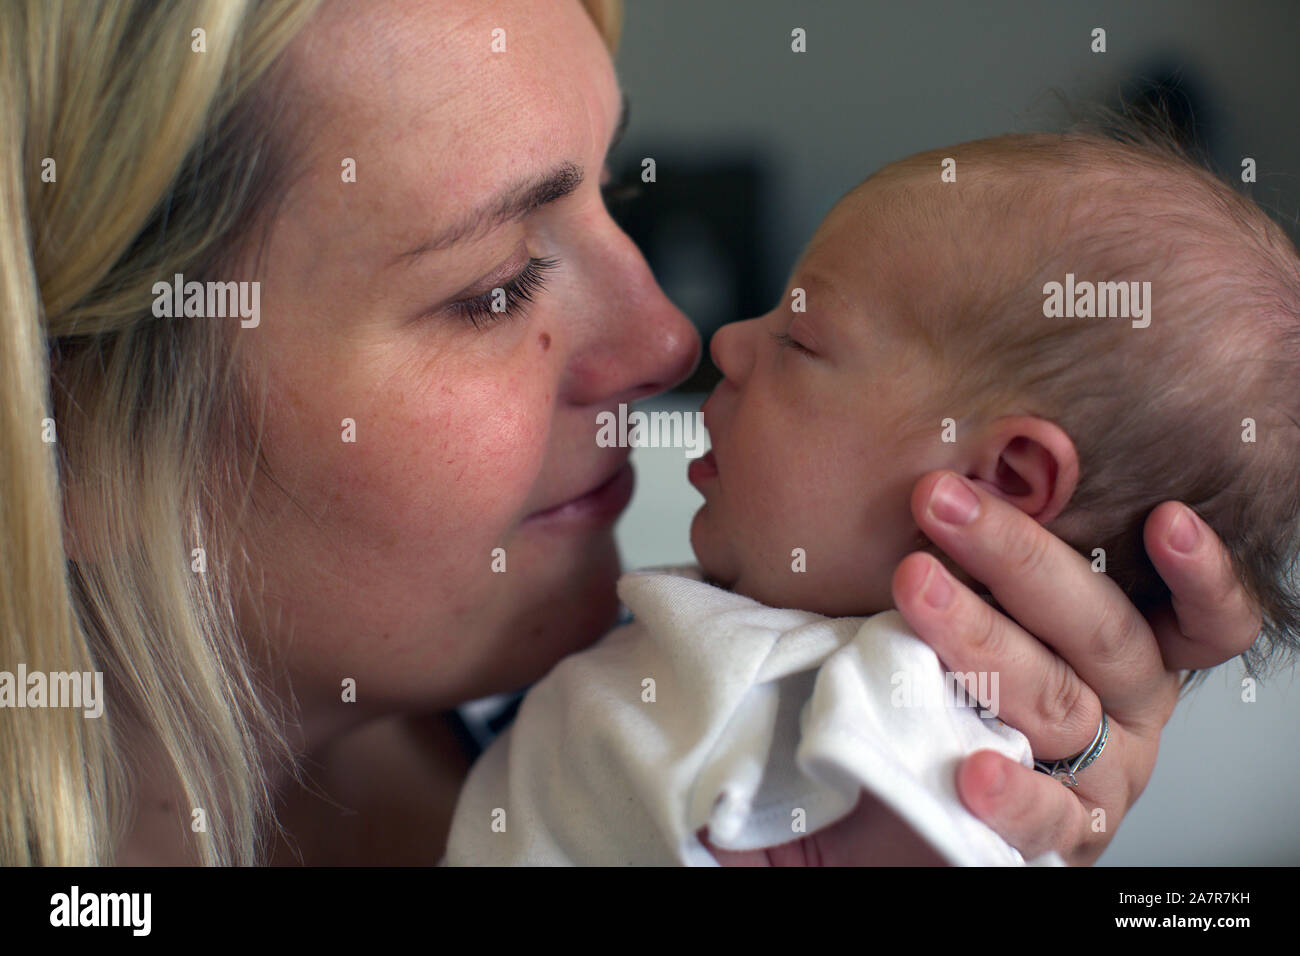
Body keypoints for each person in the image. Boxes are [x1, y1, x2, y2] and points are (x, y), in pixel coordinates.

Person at [0, 0, 1262, 867]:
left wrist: (1019, 793)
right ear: (68, 431)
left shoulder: (689, 701)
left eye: (610, 184)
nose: (671, 339)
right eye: (495, 285)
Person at [442, 126, 1299, 866]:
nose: (719, 342)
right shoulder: (789, 661)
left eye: (802, 338)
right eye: (497, 282)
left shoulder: (896, 694)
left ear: (1002, 483)